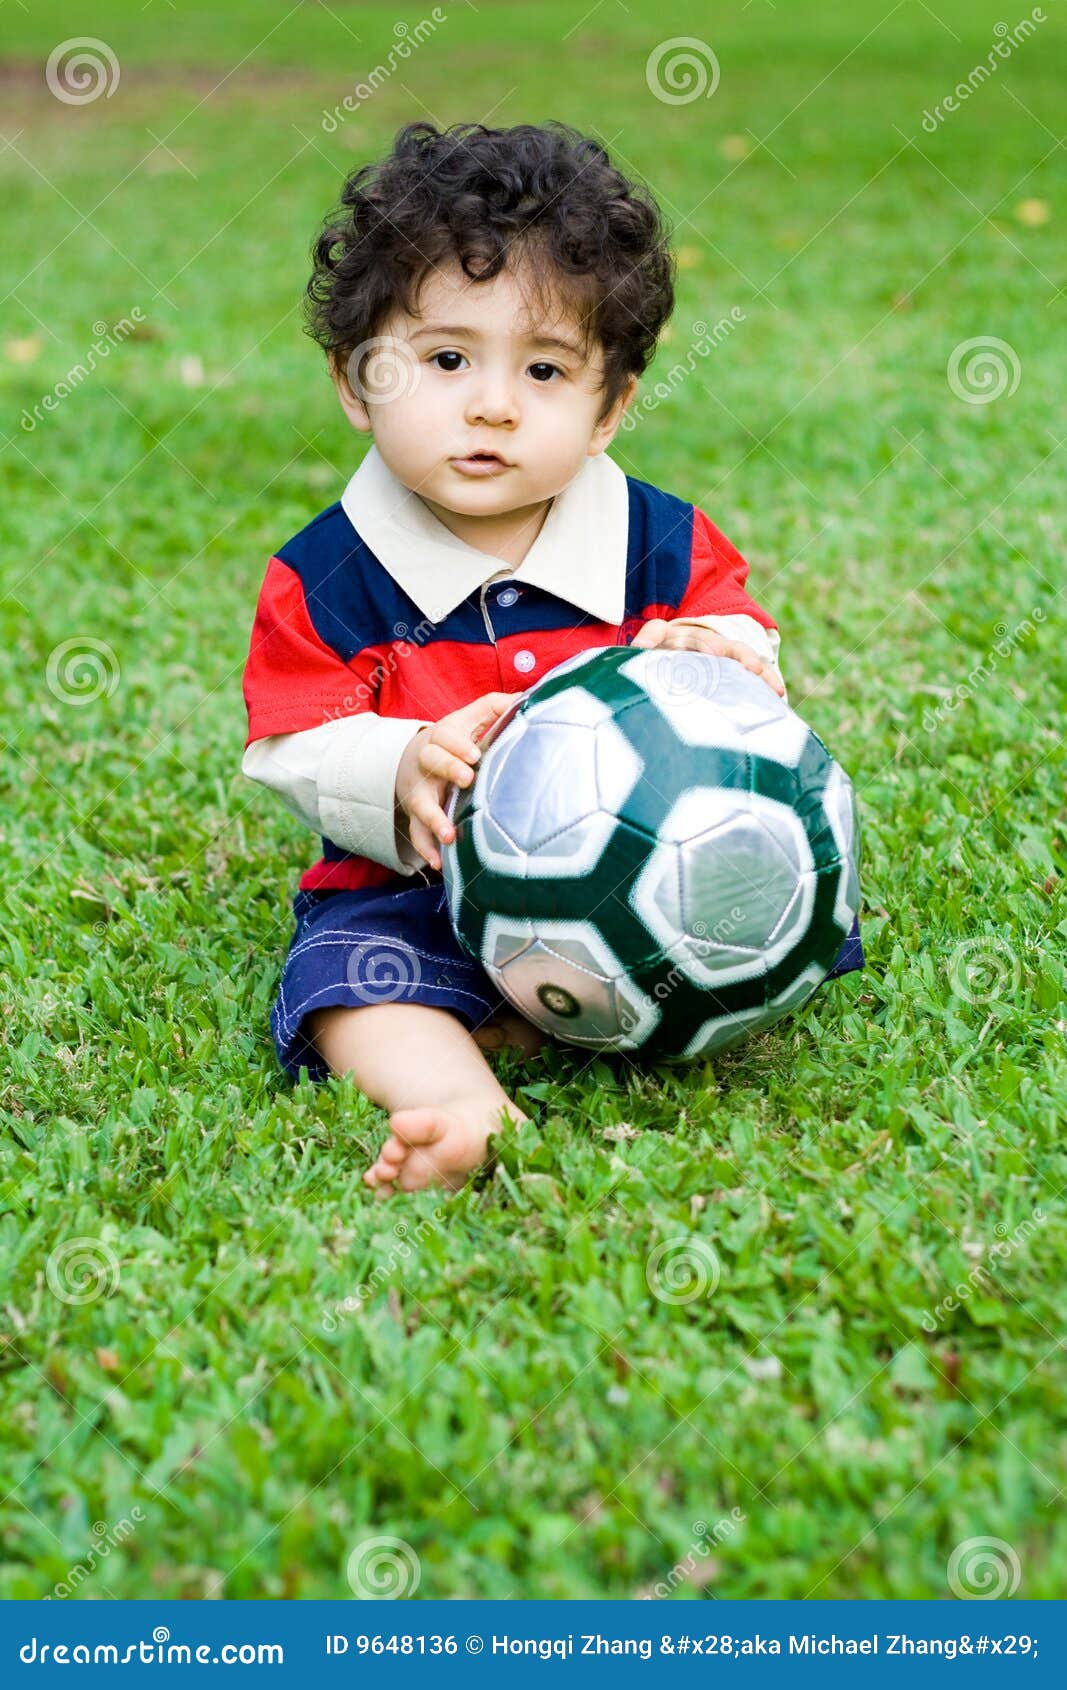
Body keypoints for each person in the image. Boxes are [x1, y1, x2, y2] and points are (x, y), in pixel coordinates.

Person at [240, 120, 864, 1197]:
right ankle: (459, 1098)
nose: (490, 404)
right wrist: (398, 764)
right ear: (356, 381)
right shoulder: (325, 574)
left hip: (638, 883)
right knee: (352, 980)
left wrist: (712, 648)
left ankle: (549, 1010)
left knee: (738, 892)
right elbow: (294, 740)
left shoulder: (654, 538)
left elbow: (737, 629)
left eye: (542, 369)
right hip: (415, 893)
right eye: (444, 359)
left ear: (609, 407)